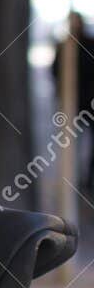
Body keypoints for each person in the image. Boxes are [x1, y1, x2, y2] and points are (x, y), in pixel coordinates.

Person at [52, 12, 94, 193]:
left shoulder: (89, 45)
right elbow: (55, 72)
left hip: (89, 102)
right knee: (70, 144)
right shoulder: (63, 45)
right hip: (72, 105)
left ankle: (87, 179)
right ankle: (73, 179)